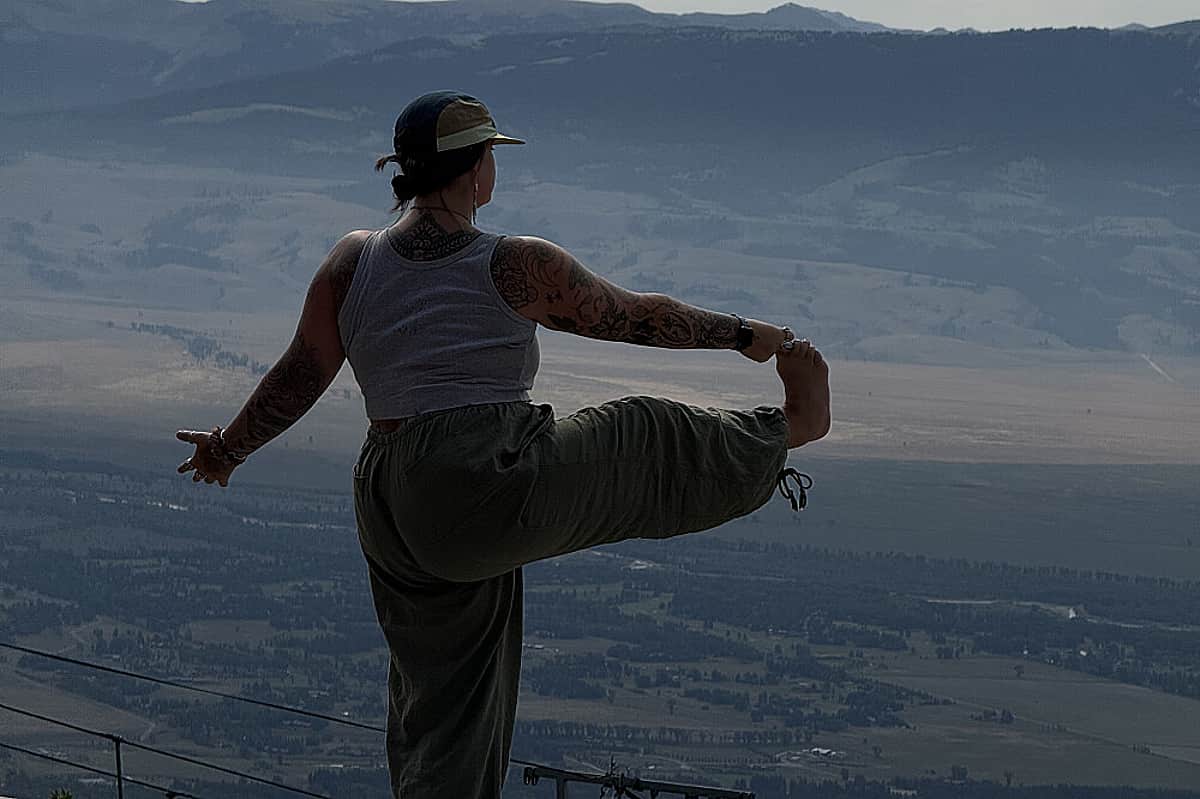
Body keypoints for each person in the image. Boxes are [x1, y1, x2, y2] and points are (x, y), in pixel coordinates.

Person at [175, 90, 831, 798]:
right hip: (476, 473)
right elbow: (634, 318)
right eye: (491, 155)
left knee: (443, 694)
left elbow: (300, 373)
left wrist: (227, 449)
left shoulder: (351, 261)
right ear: (478, 169)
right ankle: (792, 425)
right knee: (644, 435)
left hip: (385, 495)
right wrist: (743, 335)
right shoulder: (516, 264)